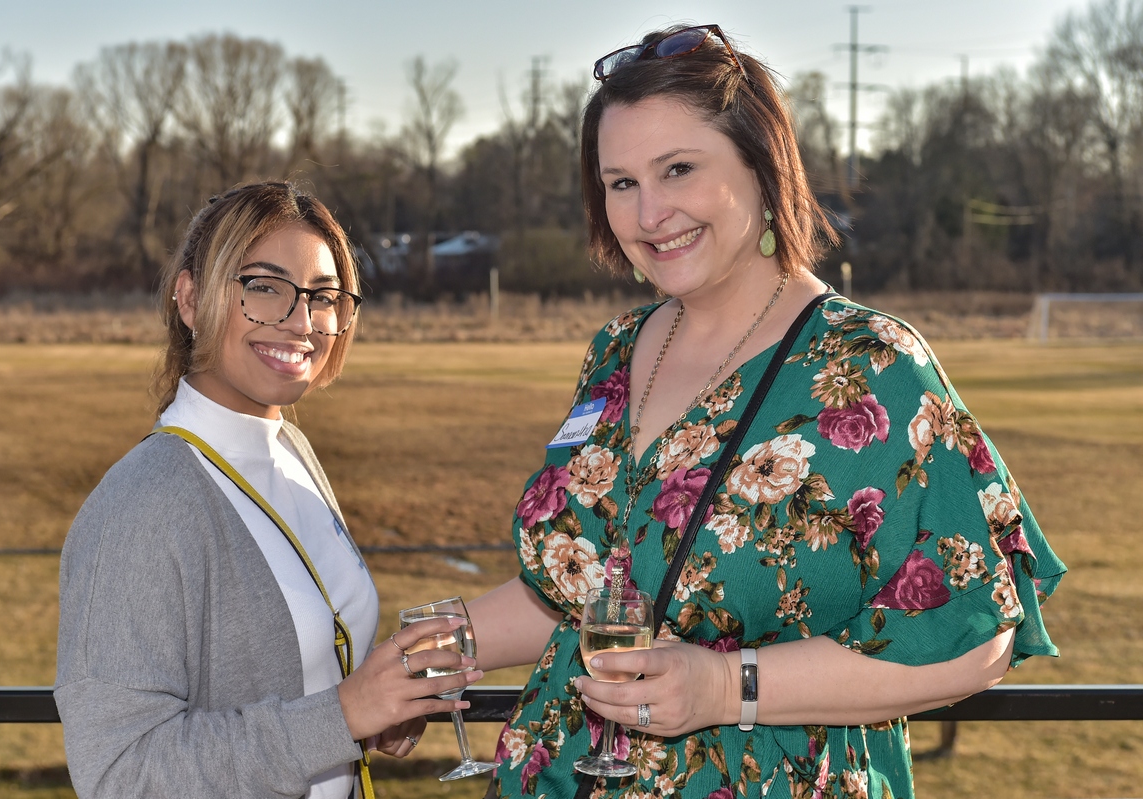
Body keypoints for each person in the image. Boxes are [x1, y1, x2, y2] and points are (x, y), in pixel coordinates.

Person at [467, 25, 1065, 799]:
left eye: (678, 169)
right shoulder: (615, 351)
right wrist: (435, 646)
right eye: (621, 183)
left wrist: (725, 686)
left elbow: (977, 632)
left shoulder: (870, 362)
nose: (649, 214)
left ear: (760, 163)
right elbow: (574, 589)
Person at [55, 181, 482, 799]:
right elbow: (121, 772)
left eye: (323, 296)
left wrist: (376, 708)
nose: (302, 321)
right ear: (192, 299)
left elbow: (303, 685)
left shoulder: (290, 451)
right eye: (263, 286)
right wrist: (342, 716)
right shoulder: (141, 506)